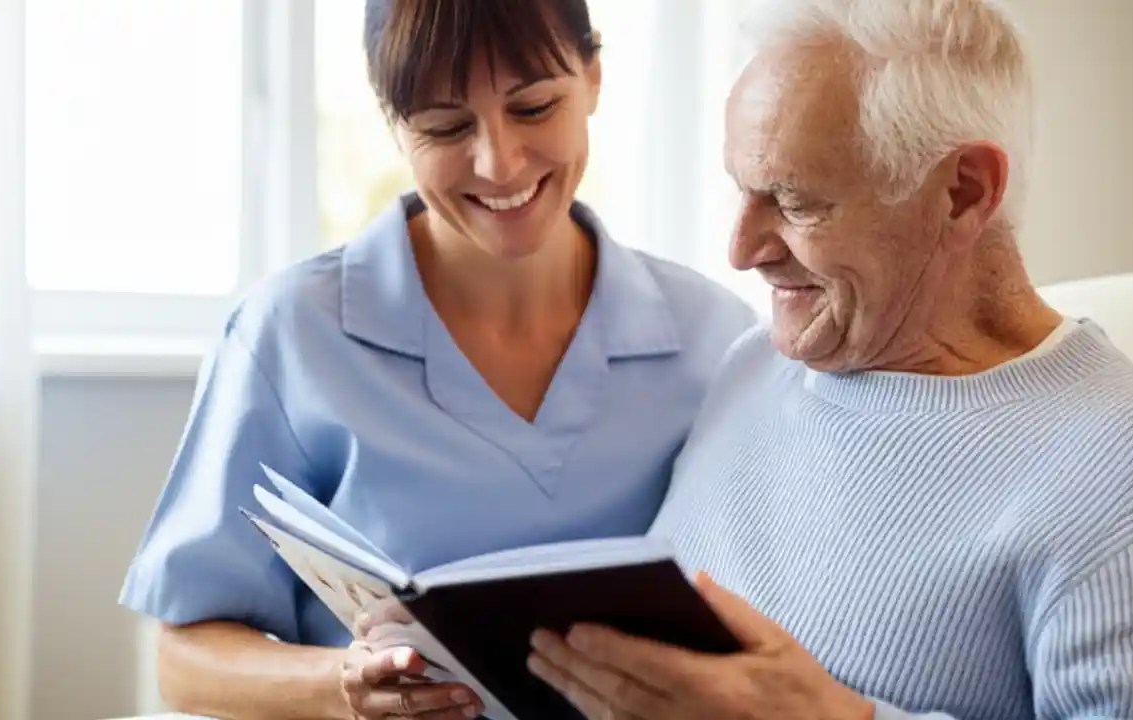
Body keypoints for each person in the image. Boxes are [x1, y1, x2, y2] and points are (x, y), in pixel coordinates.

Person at [527, 1, 1133, 718]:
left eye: (793, 201)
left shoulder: (1132, 473)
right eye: (742, 190)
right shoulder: (754, 366)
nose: (742, 251)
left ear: (963, 192)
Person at [117, 0, 755, 718]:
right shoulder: (290, 334)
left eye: (535, 108)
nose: (499, 163)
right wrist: (343, 685)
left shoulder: (718, 339)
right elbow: (183, 658)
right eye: (446, 127)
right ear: (394, 123)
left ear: (594, 78)